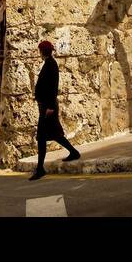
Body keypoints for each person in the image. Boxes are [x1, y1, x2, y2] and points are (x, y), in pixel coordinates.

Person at [30, 39, 80, 180]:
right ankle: (73, 152)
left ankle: (40, 169)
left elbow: (53, 87)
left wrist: (50, 107)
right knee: (55, 135)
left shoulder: (51, 64)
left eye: (40, 50)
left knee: (42, 137)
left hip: (48, 107)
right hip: (46, 106)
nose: (39, 52)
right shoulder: (48, 63)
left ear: (42, 51)